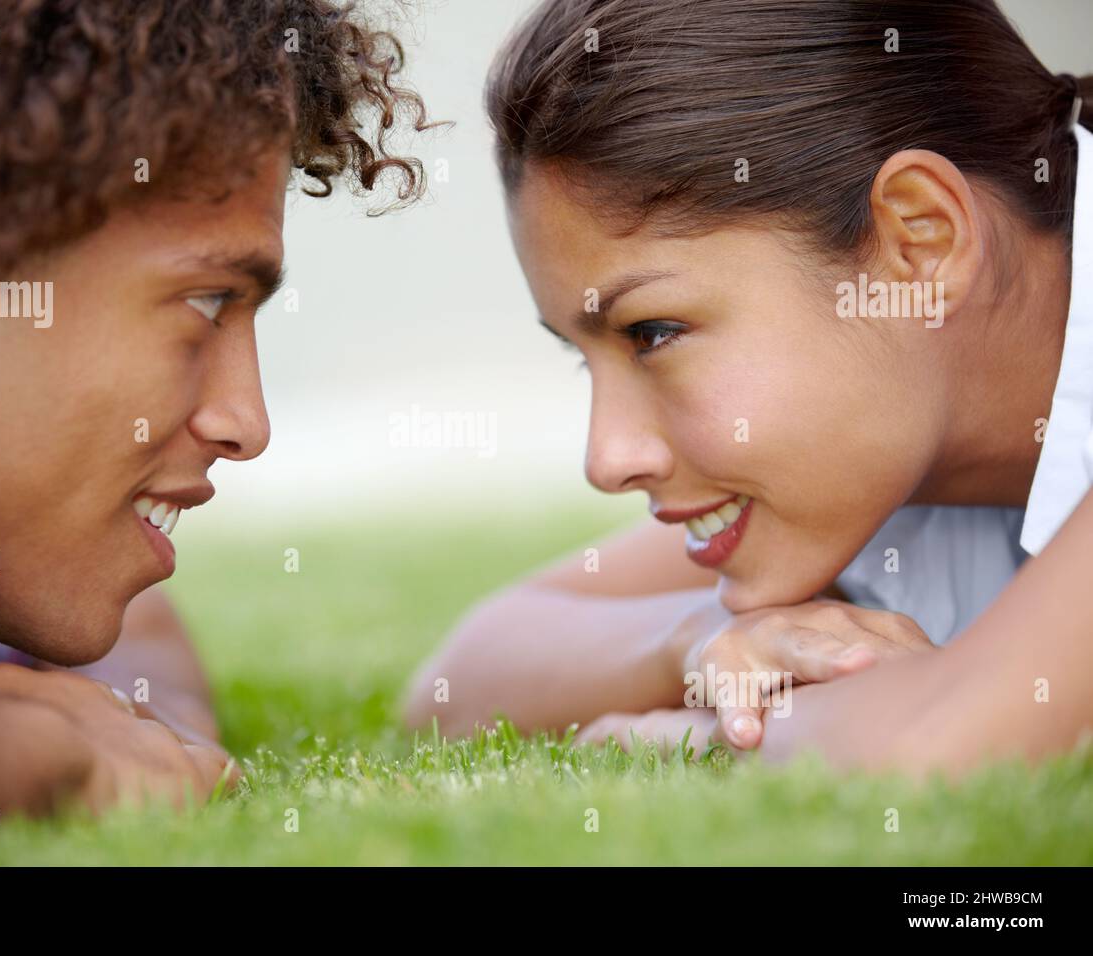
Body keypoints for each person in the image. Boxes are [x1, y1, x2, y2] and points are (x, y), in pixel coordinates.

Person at [0, 0, 429, 858]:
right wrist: (44, 759)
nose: (247, 423)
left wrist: (138, 735)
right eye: (207, 302)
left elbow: (143, 632)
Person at [406, 0, 1093, 774]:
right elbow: (452, 682)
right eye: (581, 356)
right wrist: (701, 646)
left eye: (652, 333)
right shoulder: (880, 444)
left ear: (919, 242)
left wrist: (679, 738)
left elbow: (947, 744)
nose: (608, 459)